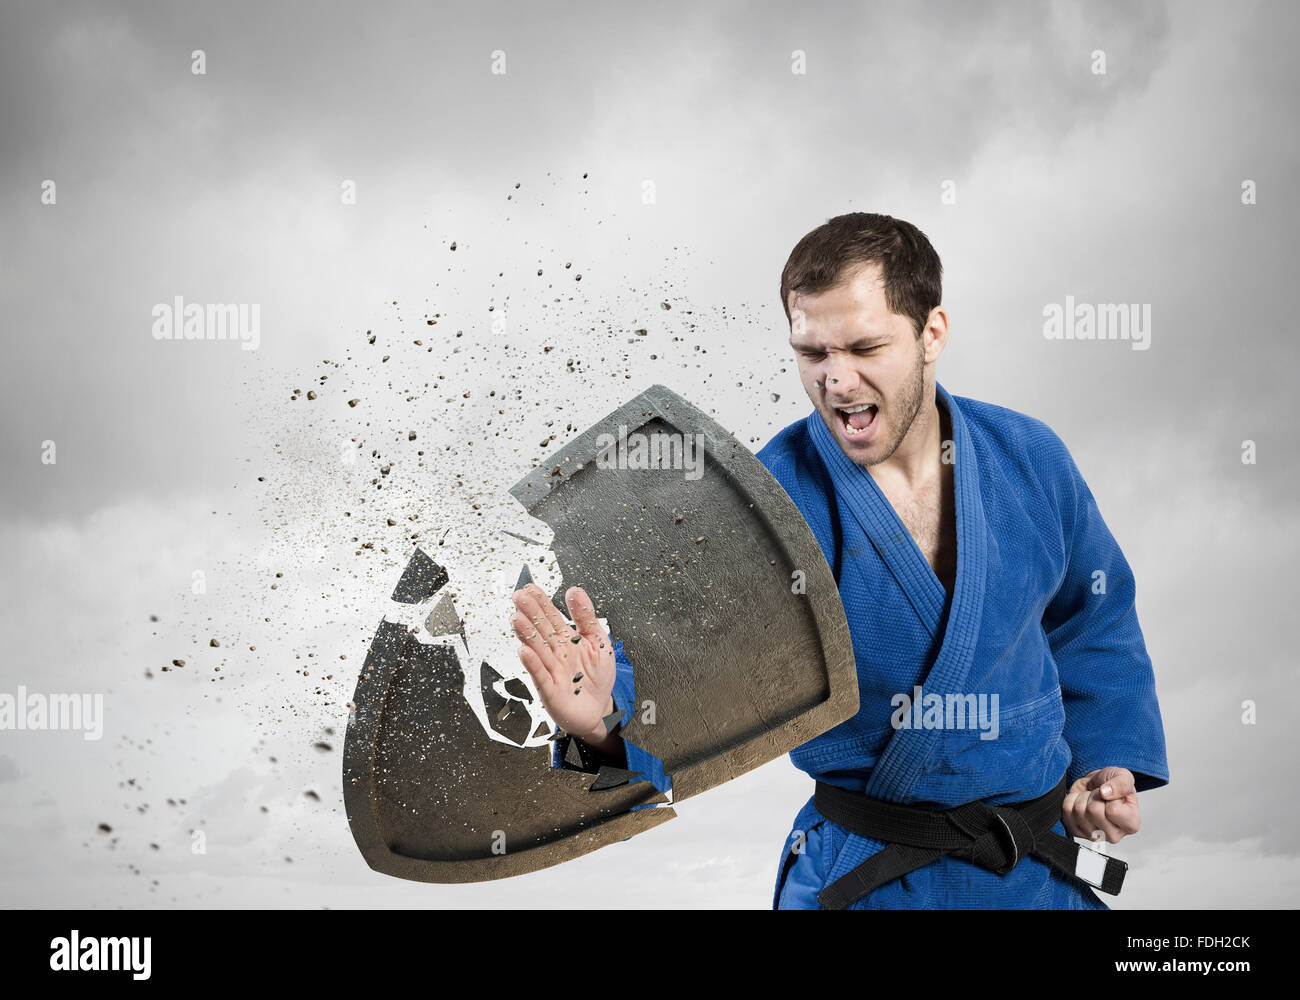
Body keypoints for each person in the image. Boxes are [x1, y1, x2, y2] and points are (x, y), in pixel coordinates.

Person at [508, 212, 1169, 909]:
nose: (837, 380)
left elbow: (1093, 620)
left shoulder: (1029, 458)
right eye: (812, 353)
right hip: (868, 878)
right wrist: (595, 728)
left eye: (864, 346)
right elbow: (671, 684)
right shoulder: (769, 506)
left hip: (1034, 877)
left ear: (932, 333)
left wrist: (1105, 766)